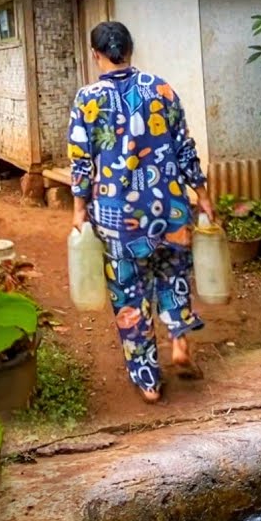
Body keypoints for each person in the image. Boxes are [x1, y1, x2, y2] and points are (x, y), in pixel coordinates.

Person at [67, 21, 215, 404]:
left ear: (95, 54)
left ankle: (148, 379)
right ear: (131, 49)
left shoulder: (88, 99)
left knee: (129, 295)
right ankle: (179, 343)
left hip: (119, 220)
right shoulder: (161, 88)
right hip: (169, 208)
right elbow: (184, 147)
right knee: (173, 275)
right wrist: (203, 195)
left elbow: (81, 161)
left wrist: (79, 208)